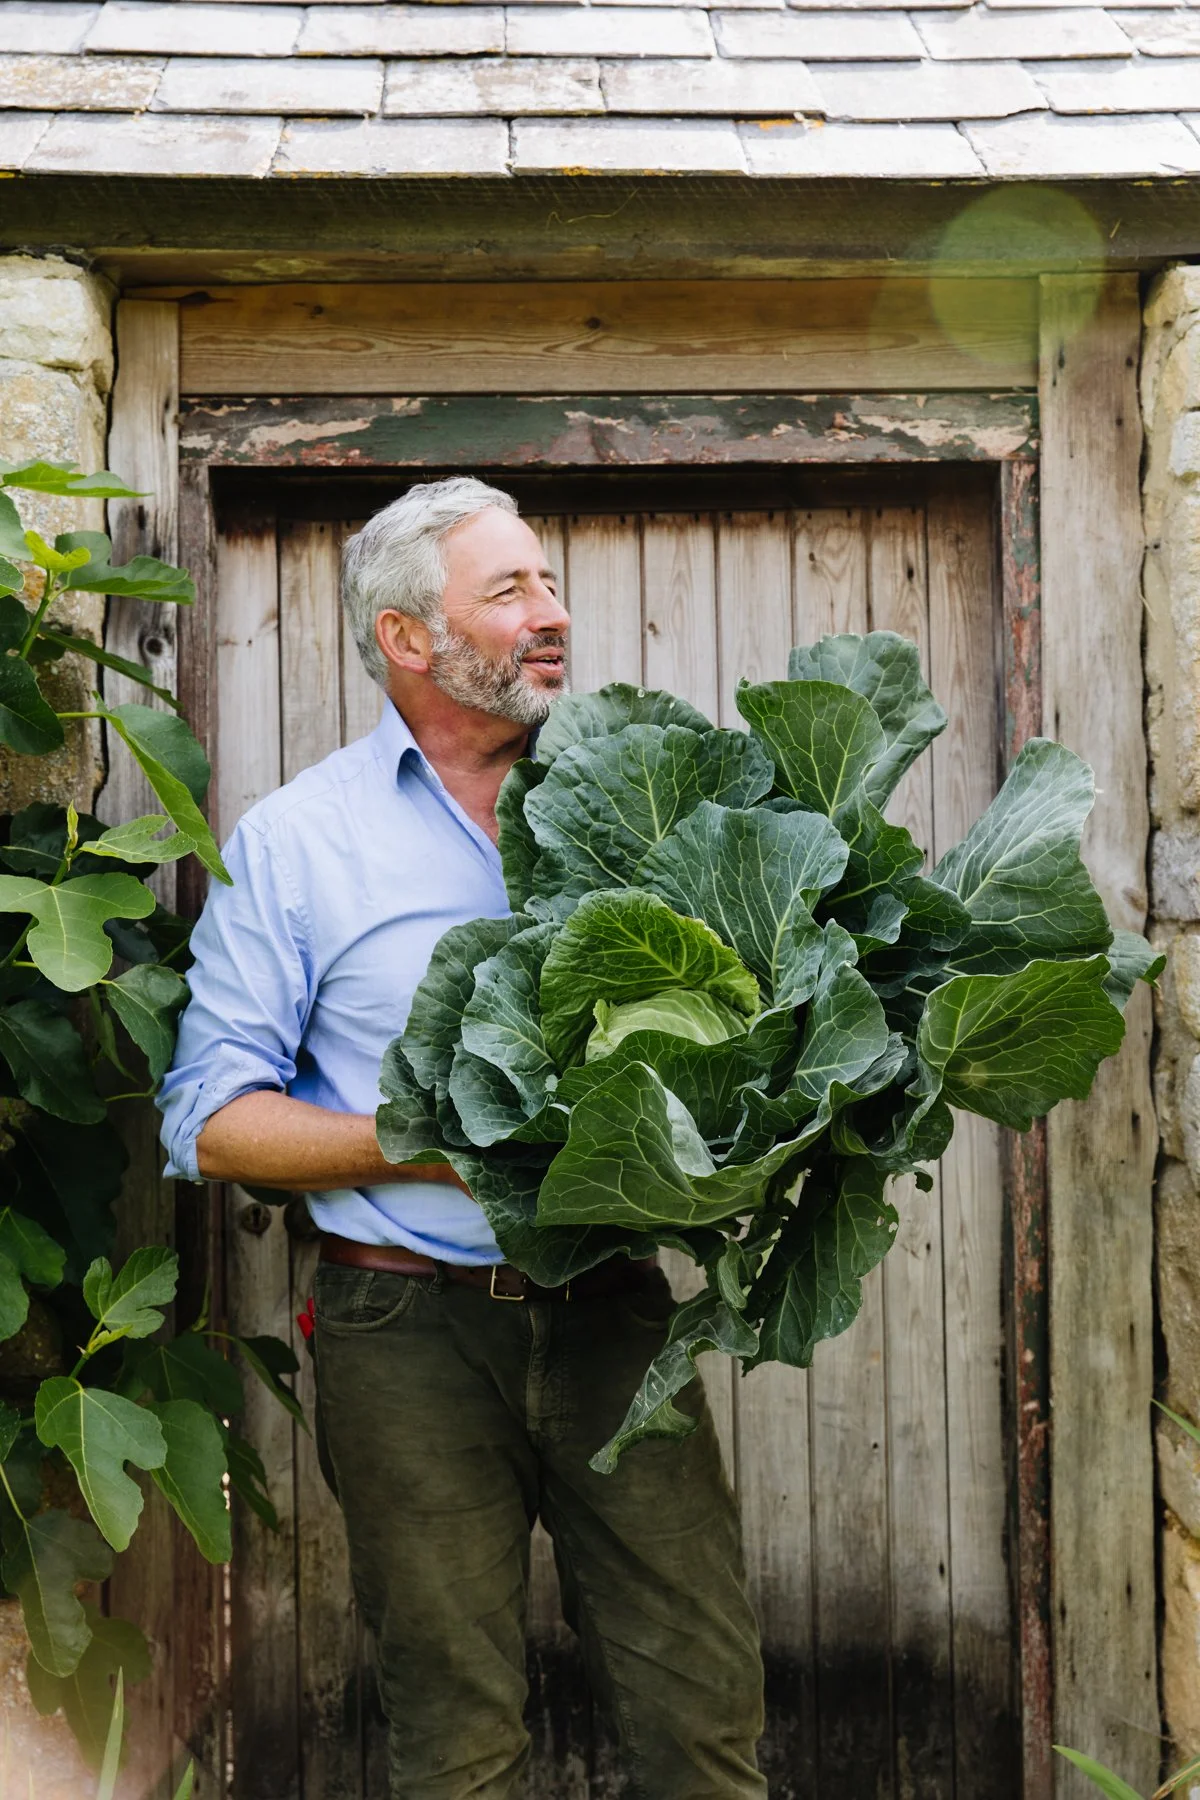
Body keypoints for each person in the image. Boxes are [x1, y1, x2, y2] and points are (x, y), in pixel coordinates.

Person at [157, 477, 767, 1799]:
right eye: (509, 592)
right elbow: (208, 1120)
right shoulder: (302, 843)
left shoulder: (651, 809)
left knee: (704, 1716)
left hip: (616, 1314)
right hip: (405, 1335)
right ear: (406, 638)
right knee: (455, 1737)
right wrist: (425, 1144)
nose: (551, 616)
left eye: (548, 585)